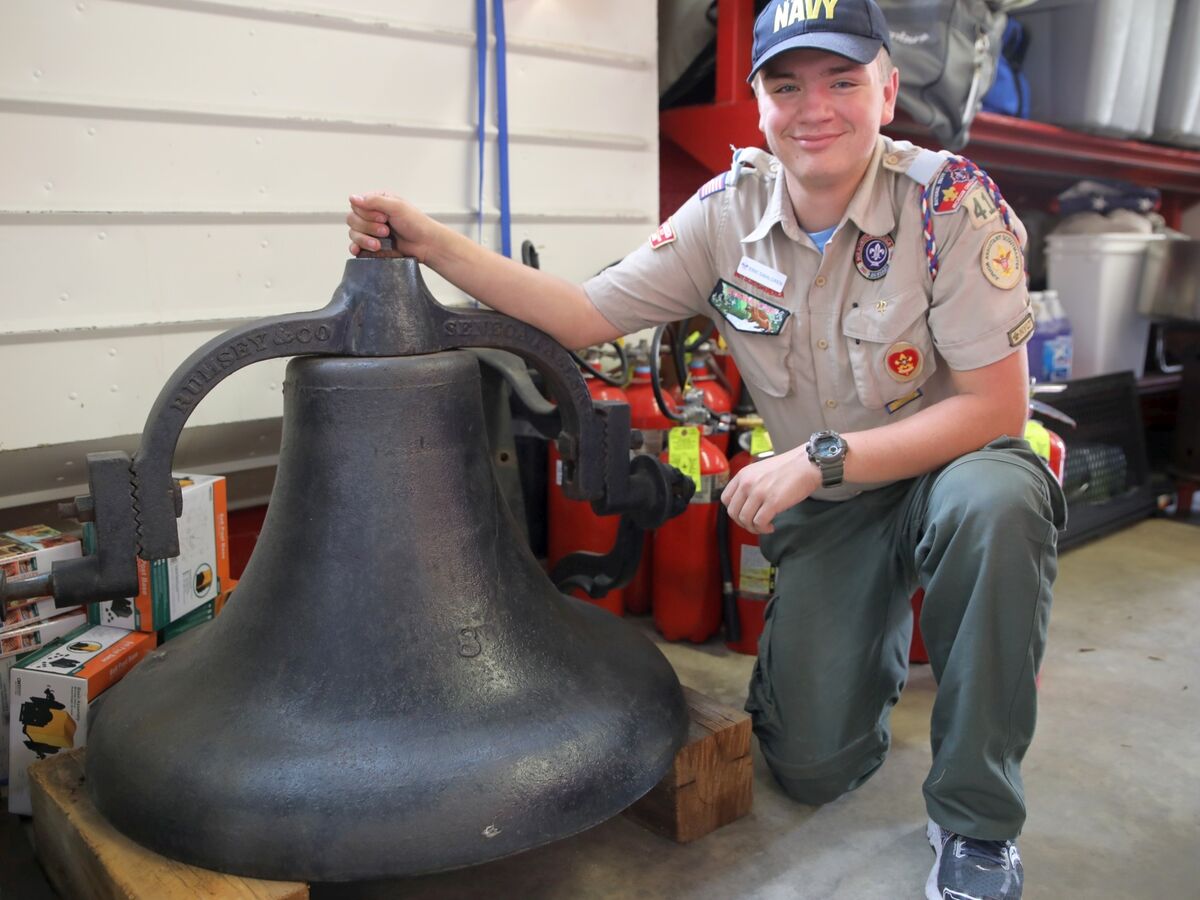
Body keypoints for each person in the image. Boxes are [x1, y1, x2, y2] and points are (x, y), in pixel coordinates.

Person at [346, 2, 1065, 897]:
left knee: (1000, 504)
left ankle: (976, 823)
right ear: (758, 103)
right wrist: (433, 245)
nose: (815, 107)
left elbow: (998, 411)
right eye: (786, 83)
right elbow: (581, 314)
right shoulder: (728, 214)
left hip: (946, 471)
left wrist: (820, 458)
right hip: (837, 510)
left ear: (886, 91)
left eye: (843, 80)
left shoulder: (950, 204)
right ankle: (855, 661)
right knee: (810, 769)